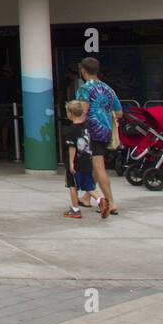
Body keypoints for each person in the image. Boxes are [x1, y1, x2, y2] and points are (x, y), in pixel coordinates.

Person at [76, 56, 122, 215]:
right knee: (97, 165)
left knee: (99, 167)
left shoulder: (84, 89)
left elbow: (83, 111)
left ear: (83, 71)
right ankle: (86, 197)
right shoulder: (109, 89)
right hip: (106, 131)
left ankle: (111, 202)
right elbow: (119, 113)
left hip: (91, 131)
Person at [63, 100, 109, 219]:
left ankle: (75, 209)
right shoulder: (86, 127)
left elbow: (72, 148)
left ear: (70, 114)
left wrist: (71, 164)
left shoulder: (72, 129)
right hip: (87, 160)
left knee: (73, 186)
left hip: (76, 162)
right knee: (89, 186)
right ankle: (100, 200)